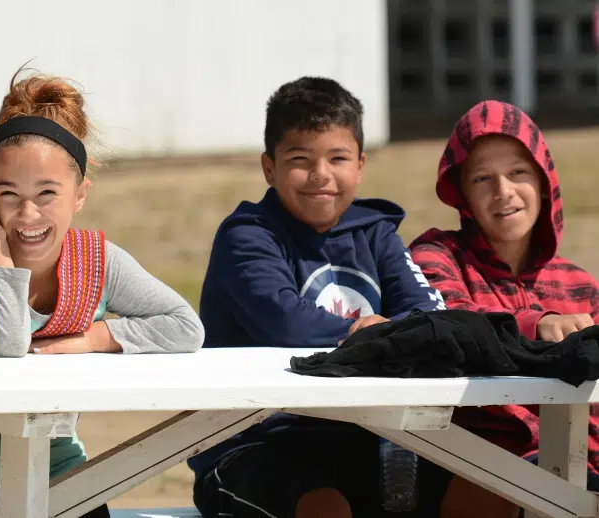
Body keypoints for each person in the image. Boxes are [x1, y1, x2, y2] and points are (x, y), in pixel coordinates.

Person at [0, 69, 205, 517]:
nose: (28, 214)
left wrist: (93, 339)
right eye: (8, 194)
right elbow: (5, 346)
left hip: (66, 474)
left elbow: (185, 327)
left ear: (79, 195)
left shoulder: (98, 263)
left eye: (47, 193)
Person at [188, 76, 446, 518]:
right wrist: (366, 332)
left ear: (360, 165)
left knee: (482, 489)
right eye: (300, 158)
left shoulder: (377, 233)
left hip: (367, 436)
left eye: (338, 158)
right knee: (324, 507)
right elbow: (285, 322)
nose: (320, 174)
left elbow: (431, 315)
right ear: (269, 167)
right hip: (258, 440)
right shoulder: (247, 236)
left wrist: (392, 332)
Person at [409, 100, 599, 517]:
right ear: (463, 196)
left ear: (544, 180)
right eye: (482, 178)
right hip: (474, 463)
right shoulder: (435, 256)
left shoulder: (581, 287)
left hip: (582, 467)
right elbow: (453, 325)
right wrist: (539, 324)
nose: (504, 191)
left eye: (518, 172)